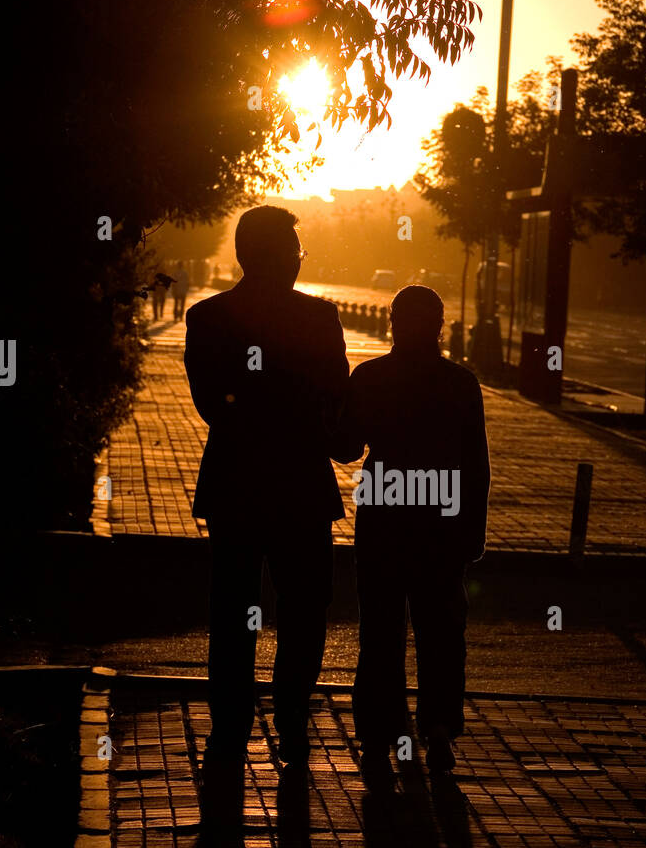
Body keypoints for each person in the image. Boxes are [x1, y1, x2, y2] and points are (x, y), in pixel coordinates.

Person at [184, 206, 348, 762]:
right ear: (278, 255)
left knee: (232, 609)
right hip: (300, 483)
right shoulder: (319, 319)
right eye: (297, 252)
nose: (300, 263)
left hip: (235, 481)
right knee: (305, 608)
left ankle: (229, 726)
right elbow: (335, 404)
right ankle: (291, 720)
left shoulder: (208, 317)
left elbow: (213, 404)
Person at [332, 286, 490, 777]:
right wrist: (472, 533)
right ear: (440, 325)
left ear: (392, 322)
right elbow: (476, 466)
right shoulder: (461, 383)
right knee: (441, 628)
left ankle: (379, 733)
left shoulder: (370, 376)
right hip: (440, 516)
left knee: (380, 628)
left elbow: (345, 448)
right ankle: (439, 726)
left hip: (384, 512)